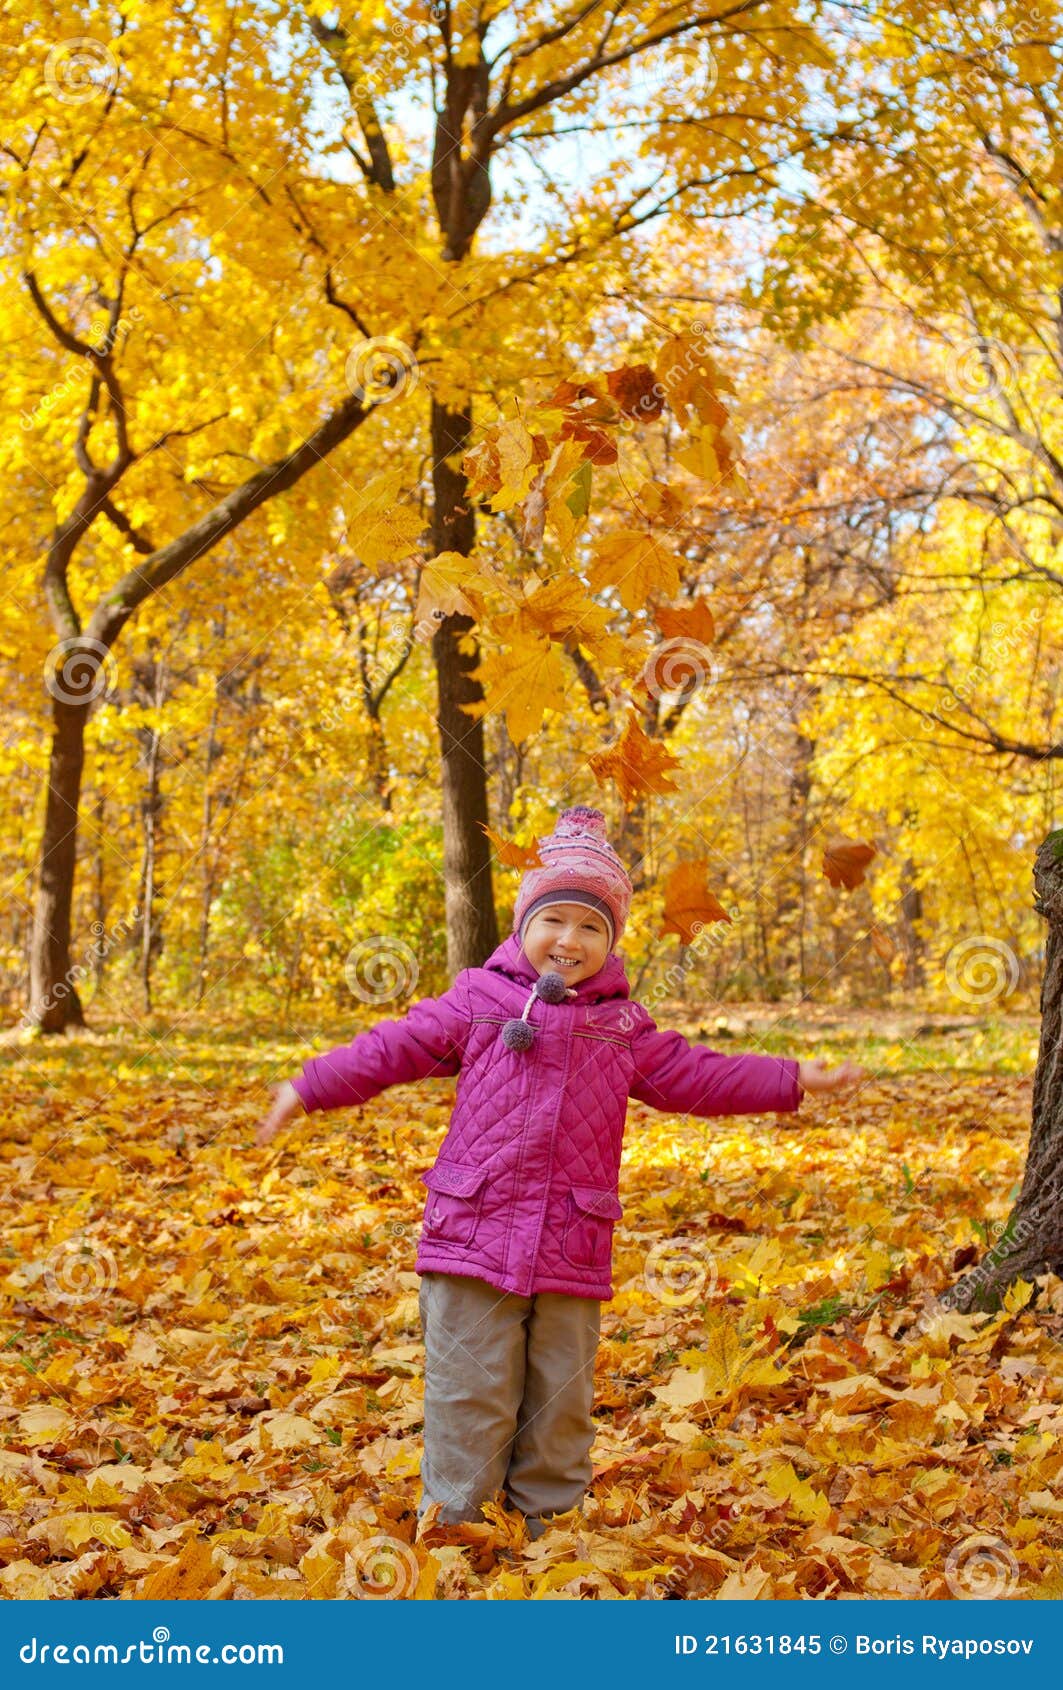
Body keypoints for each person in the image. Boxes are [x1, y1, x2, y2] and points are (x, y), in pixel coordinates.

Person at [255, 805, 865, 1539]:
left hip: (571, 1241)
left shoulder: (621, 1027)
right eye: (554, 920)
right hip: (471, 1234)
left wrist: (795, 1078)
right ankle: (457, 1528)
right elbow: (394, 1047)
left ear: (609, 942)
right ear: (522, 925)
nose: (567, 940)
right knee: (469, 1393)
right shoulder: (477, 1003)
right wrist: (309, 1086)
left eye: (589, 926)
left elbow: (704, 1078)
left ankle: (548, 1534)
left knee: (559, 1400)